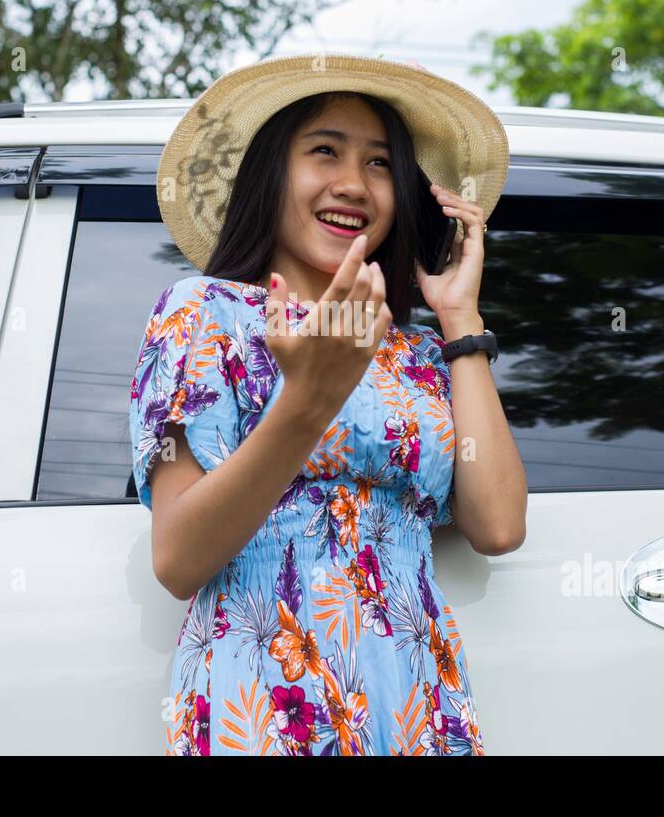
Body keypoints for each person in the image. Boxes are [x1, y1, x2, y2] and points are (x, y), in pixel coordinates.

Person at [128, 53, 527, 756]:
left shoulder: (420, 357)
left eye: (379, 164)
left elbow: (496, 525)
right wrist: (306, 404)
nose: (353, 184)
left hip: (414, 705)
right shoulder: (204, 314)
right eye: (323, 151)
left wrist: (460, 317)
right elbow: (178, 558)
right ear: (268, 176)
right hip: (267, 706)